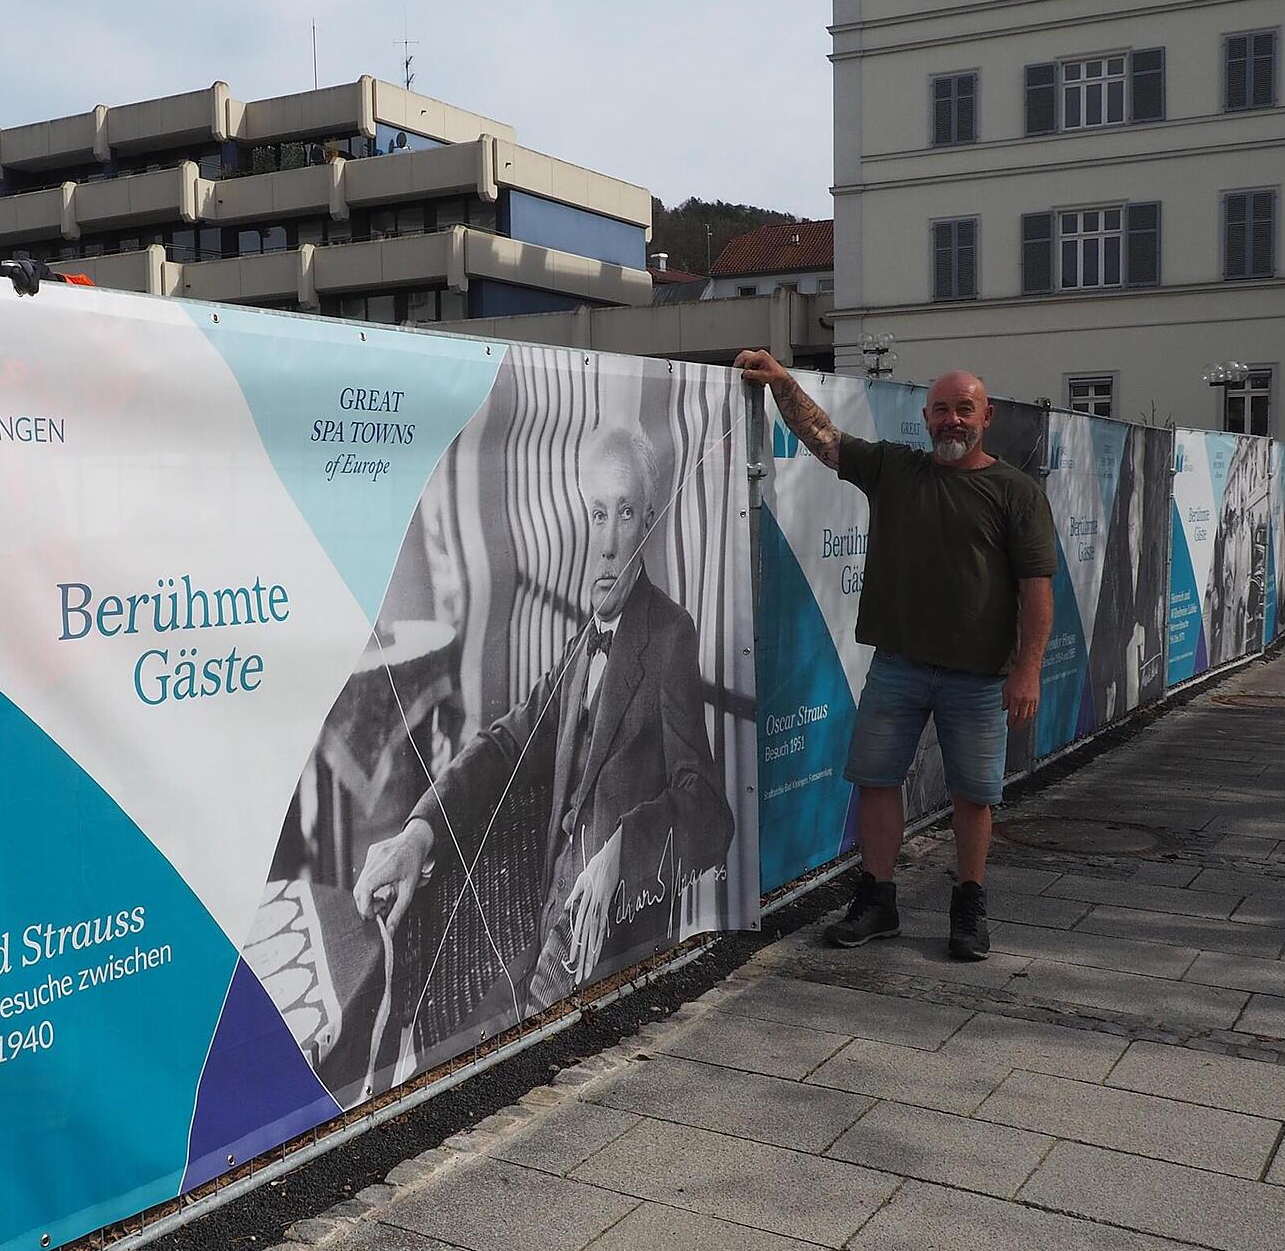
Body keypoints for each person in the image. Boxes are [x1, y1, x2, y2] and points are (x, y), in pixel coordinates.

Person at [352, 425, 732, 1022]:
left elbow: (708, 807)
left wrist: (624, 850)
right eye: (597, 515)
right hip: (539, 927)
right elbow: (504, 745)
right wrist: (417, 833)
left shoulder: (669, 635)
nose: (608, 542)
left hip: (614, 943)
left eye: (625, 513)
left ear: (649, 524)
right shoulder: (581, 643)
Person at [736, 350, 1055, 960]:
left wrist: (1028, 668)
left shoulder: (1015, 493)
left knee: (974, 795)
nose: (953, 420)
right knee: (877, 781)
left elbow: (1036, 591)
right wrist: (781, 382)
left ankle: (969, 903)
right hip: (899, 666)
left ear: (985, 416)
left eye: (965, 409)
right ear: (926, 417)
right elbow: (823, 438)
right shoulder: (894, 470)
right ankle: (878, 899)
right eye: (942, 410)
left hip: (980, 678)